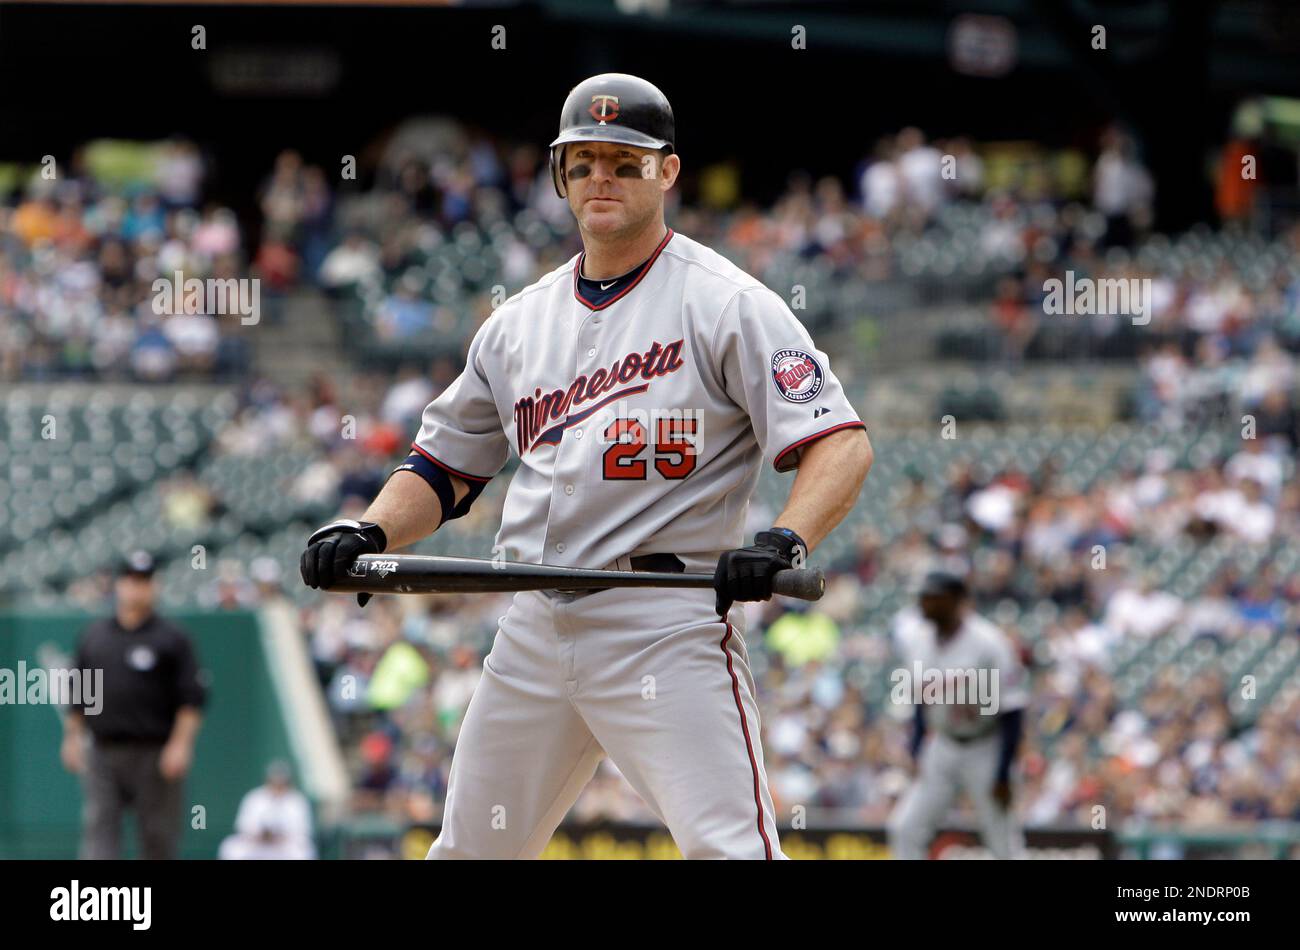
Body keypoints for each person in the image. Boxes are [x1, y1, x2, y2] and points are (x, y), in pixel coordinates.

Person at [300, 73, 873, 859]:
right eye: (585, 160)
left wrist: (784, 539)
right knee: (470, 851)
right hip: (535, 620)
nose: (602, 176)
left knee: (730, 849)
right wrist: (368, 530)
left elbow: (839, 442)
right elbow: (443, 469)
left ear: (666, 172)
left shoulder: (729, 303)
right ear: (560, 174)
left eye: (625, 160)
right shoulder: (517, 323)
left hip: (662, 620)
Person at [61, 551, 207, 859]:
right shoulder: (95, 636)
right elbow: (79, 696)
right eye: (131, 580)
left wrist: (180, 745)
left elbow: (191, 699)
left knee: (157, 836)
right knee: (99, 832)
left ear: (154, 586)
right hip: (103, 749)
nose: (137, 588)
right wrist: (72, 739)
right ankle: (99, 906)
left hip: (154, 751)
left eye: (145, 581)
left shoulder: (172, 638)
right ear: (119, 584)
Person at [887, 571, 1027, 859]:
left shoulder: (989, 642)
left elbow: (1013, 711)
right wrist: (916, 750)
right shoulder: (918, 640)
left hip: (986, 745)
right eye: (924, 597)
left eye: (935, 597)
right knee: (905, 828)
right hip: (943, 746)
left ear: (958, 601)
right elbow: (919, 703)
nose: (927, 603)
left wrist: (1003, 773)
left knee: (1002, 841)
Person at [219, 761, 315, 860]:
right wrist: (261, 835)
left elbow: (303, 831)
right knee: (230, 847)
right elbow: (243, 827)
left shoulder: (297, 800)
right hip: (257, 845)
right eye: (275, 779)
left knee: (304, 852)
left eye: (281, 781)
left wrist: (279, 837)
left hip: (284, 847)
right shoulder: (255, 797)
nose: (278, 784)